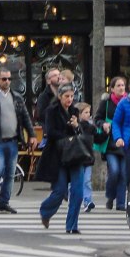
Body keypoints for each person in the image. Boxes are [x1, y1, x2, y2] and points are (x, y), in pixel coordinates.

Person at [0, 65, 36, 213]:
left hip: (12, 141)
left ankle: (4, 202)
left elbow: (25, 117)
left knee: (10, 174)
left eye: (9, 79)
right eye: (4, 79)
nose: (7, 82)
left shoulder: (16, 97)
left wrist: (31, 135)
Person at [39, 83, 89, 234]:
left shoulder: (74, 111)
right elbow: (50, 132)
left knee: (78, 192)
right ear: (60, 96)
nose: (69, 99)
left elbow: (81, 132)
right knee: (60, 191)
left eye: (72, 96)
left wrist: (76, 126)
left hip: (74, 154)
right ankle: (45, 211)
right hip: (58, 155)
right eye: (67, 96)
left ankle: (72, 226)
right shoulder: (51, 111)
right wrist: (67, 135)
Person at [94, 75, 127, 210]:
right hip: (110, 143)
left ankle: (120, 203)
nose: (121, 88)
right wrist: (103, 124)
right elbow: (97, 118)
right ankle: (110, 196)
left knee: (123, 173)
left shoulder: (129, 102)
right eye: (118, 85)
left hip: (125, 142)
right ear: (112, 89)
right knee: (114, 171)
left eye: (123, 85)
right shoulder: (106, 103)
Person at [76, 101, 97, 212]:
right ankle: (74, 199)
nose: (88, 114)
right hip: (78, 158)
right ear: (79, 114)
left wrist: (105, 132)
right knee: (76, 181)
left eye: (89, 112)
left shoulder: (91, 127)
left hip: (88, 157)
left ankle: (87, 201)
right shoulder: (76, 126)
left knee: (87, 181)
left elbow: (98, 138)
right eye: (86, 112)